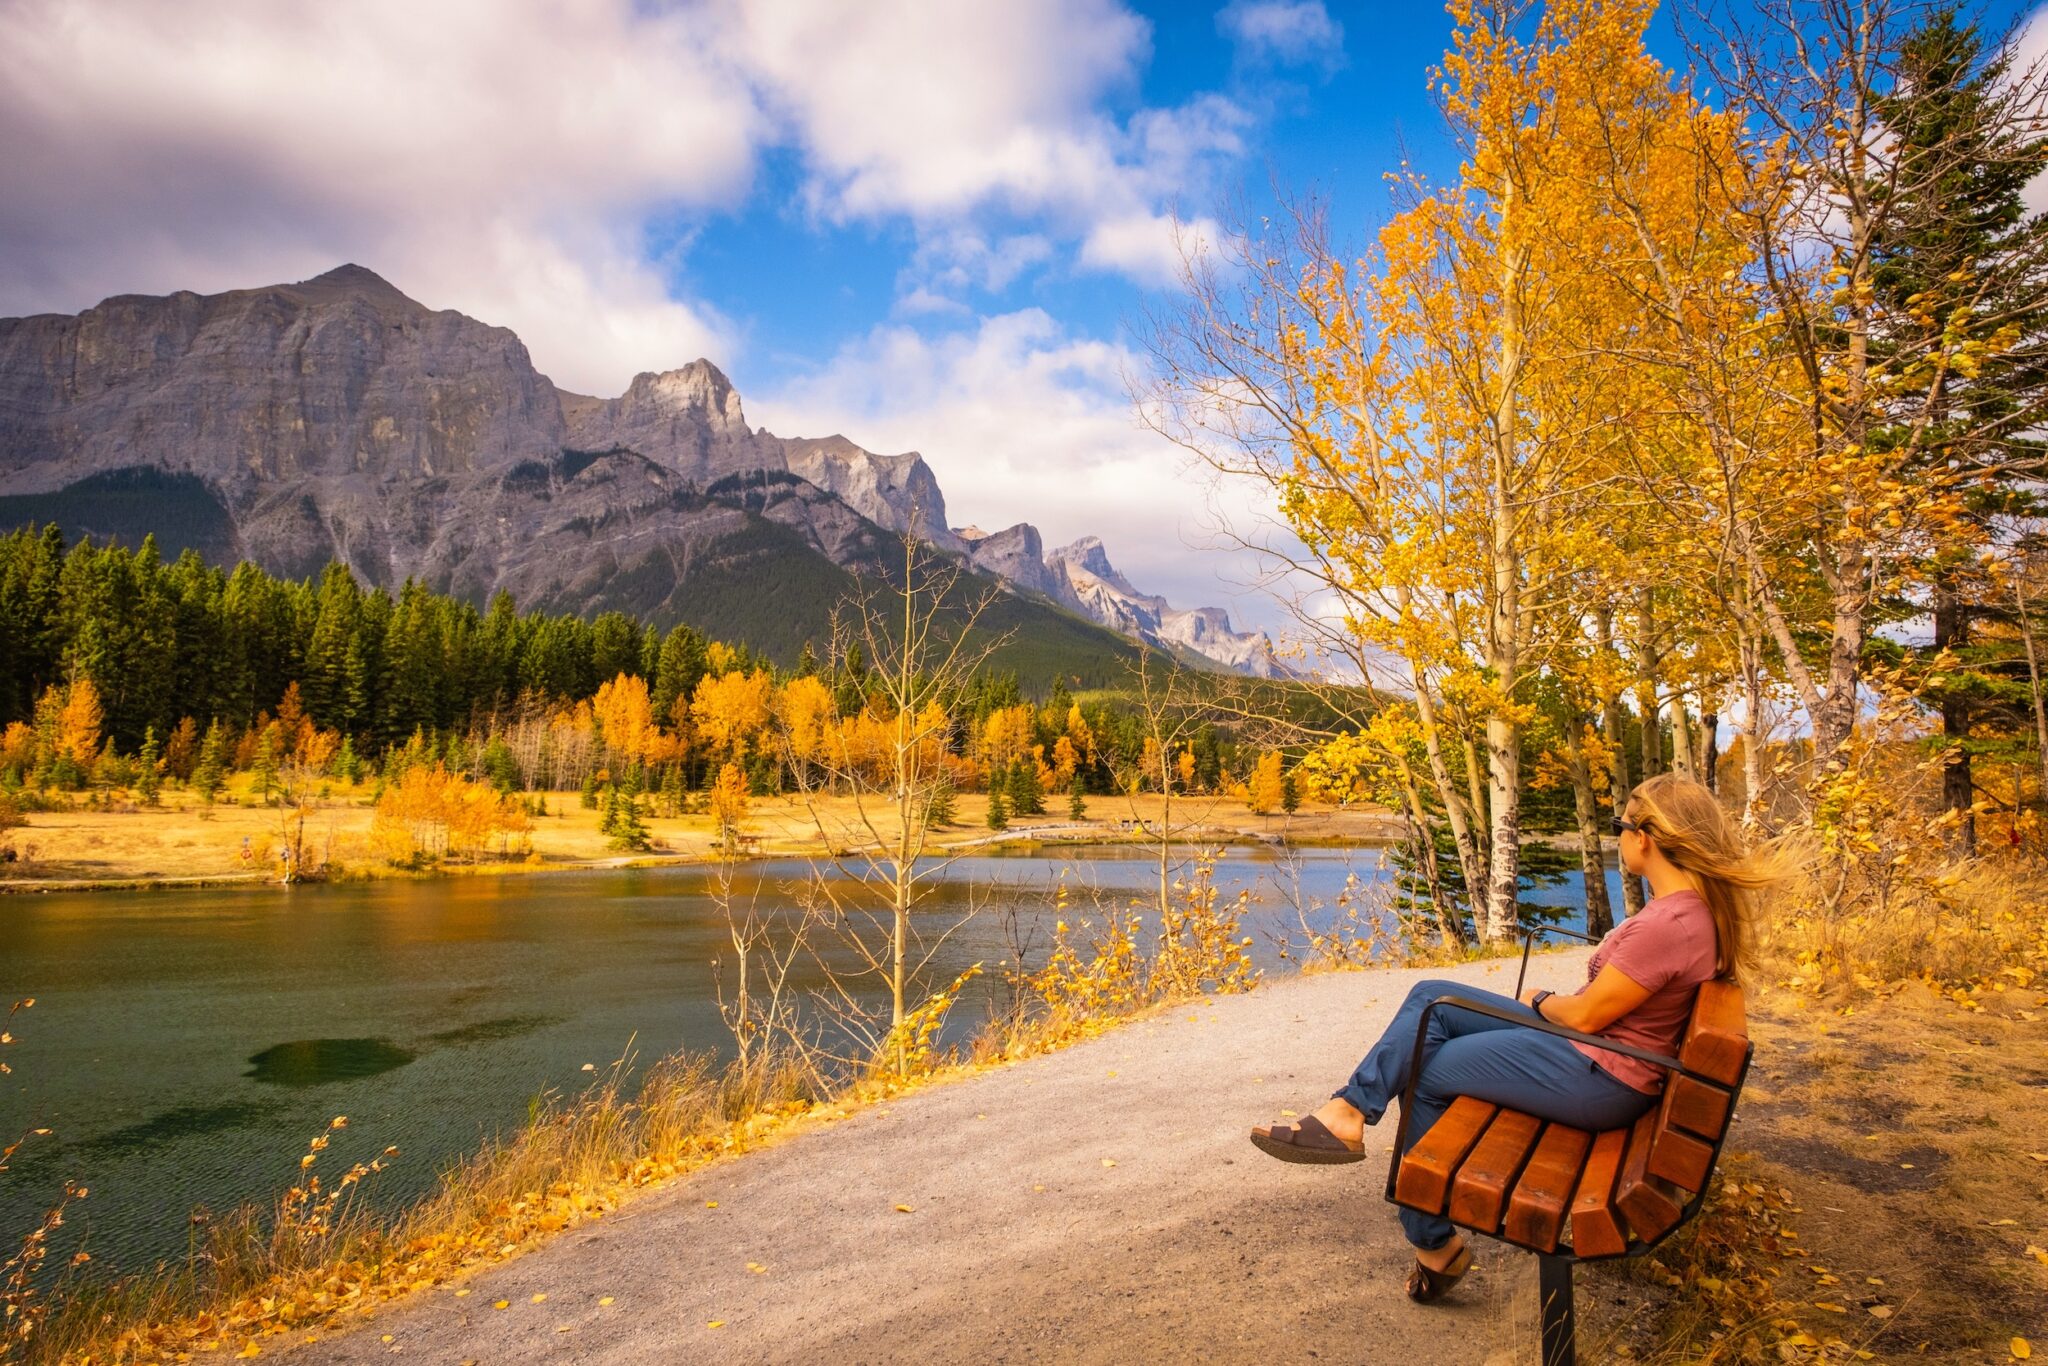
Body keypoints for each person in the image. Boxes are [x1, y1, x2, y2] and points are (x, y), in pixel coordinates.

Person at [1249, 773, 1788, 1303]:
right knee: (1432, 999)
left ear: (1644, 837)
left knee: (1428, 1066)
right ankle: (1348, 1112)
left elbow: (1586, 1016)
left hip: (1599, 1075)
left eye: (1618, 825)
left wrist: (1541, 1001)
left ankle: (1432, 1243)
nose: (1617, 836)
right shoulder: (1690, 911)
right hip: (1601, 1060)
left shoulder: (1671, 923)